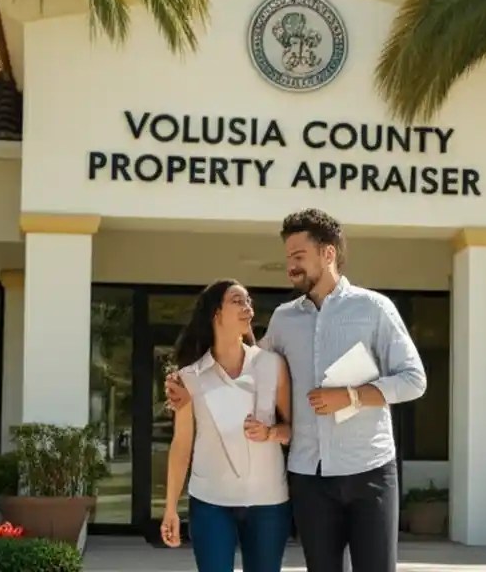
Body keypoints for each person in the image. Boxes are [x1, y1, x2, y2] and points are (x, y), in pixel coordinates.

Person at [167, 208, 427, 572]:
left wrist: (351, 395)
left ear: (328, 253)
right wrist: (184, 385)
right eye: (288, 257)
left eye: (299, 257)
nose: (291, 266)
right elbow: (244, 360)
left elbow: (414, 379)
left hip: (369, 470)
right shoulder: (284, 319)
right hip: (309, 477)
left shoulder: (374, 309)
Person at [161, 278, 293, 572]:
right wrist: (170, 508)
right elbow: (182, 445)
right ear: (215, 314)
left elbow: (292, 431)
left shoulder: (272, 365)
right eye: (237, 300)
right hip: (210, 502)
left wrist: (269, 432)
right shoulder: (189, 377)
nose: (247, 307)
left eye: (248, 302)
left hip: (268, 501)